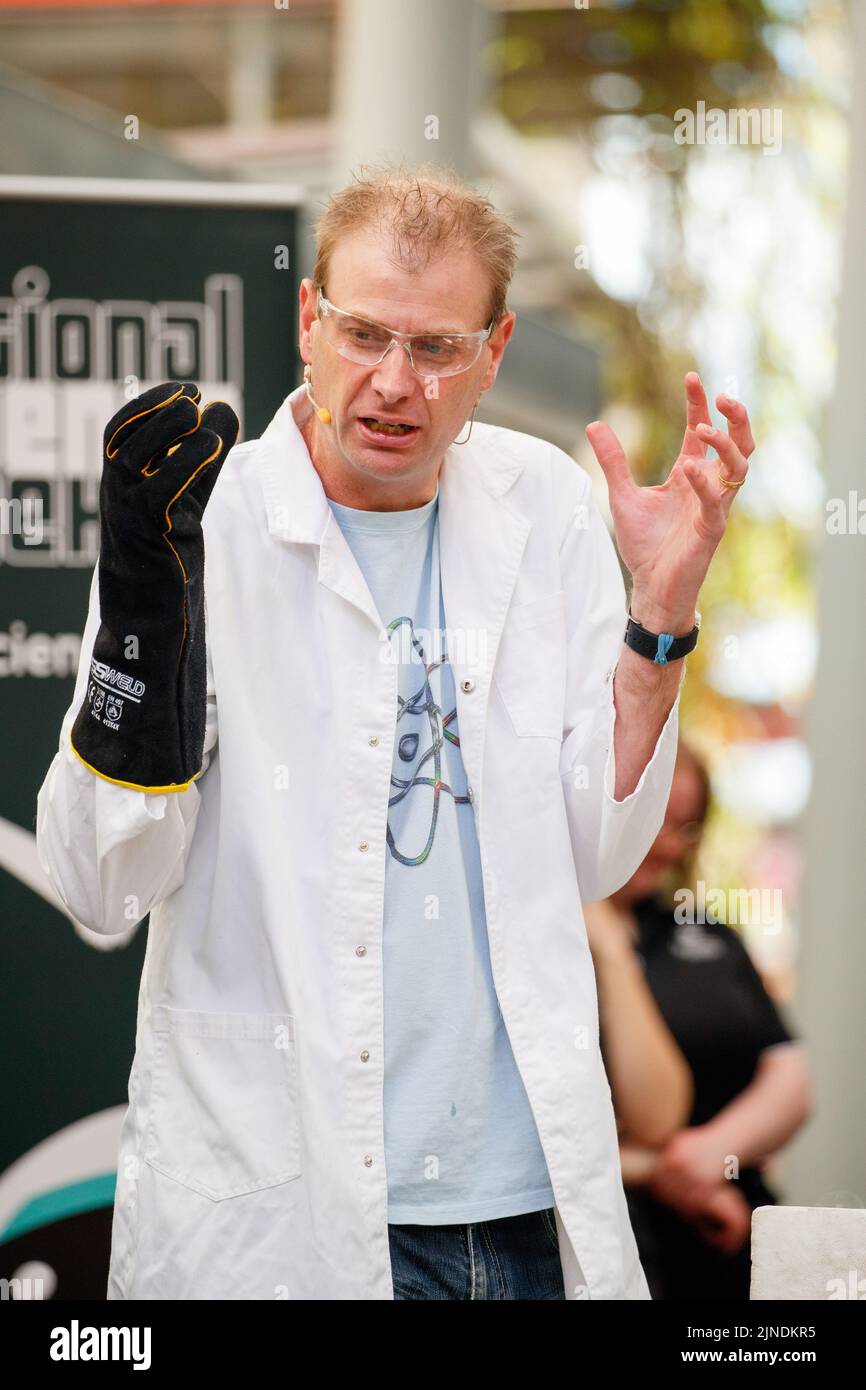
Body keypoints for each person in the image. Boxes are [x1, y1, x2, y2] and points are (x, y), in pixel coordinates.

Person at [35, 161, 754, 1301]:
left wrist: (657, 618)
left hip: (519, 1210)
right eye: (365, 333)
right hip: (282, 1212)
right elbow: (99, 886)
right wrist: (136, 619)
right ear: (309, 321)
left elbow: (596, 849)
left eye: (435, 348)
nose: (392, 382)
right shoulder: (200, 520)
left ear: (494, 350)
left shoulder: (546, 506)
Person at [586, 743, 811, 1299]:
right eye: (656, 821)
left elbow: (789, 1077)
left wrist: (714, 1151)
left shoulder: (706, 933)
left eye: (686, 827)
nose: (668, 845)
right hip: (619, 1230)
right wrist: (663, 1172)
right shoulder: (569, 945)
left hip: (734, 1218)